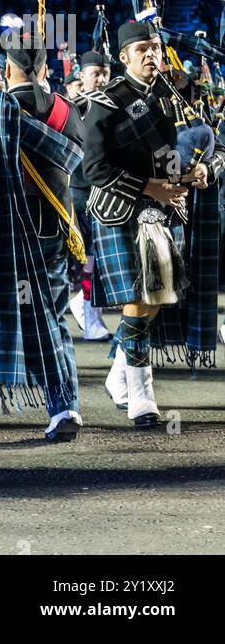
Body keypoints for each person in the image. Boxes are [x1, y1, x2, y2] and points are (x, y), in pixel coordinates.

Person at [83, 21, 223, 427]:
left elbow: (214, 144)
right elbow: (94, 167)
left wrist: (202, 171)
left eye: (156, 48)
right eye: (142, 49)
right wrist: (150, 188)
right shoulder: (106, 101)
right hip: (121, 209)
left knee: (156, 300)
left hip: (166, 209)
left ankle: (116, 375)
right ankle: (142, 394)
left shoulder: (179, 95)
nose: (151, 55)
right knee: (137, 298)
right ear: (123, 57)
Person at [0, 42, 85, 440]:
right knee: (52, 318)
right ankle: (64, 407)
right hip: (51, 231)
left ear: (7, 71)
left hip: (2, 233)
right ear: (45, 71)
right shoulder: (67, 110)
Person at [68, 50, 114, 341]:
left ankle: (88, 310)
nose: (100, 79)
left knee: (96, 260)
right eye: (95, 73)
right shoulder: (72, 107)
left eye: (105, 73)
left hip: (106, 191)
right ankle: (85, 311)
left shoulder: (115, 105)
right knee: (83, 259)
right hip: (77, 190)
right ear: (81, 76)